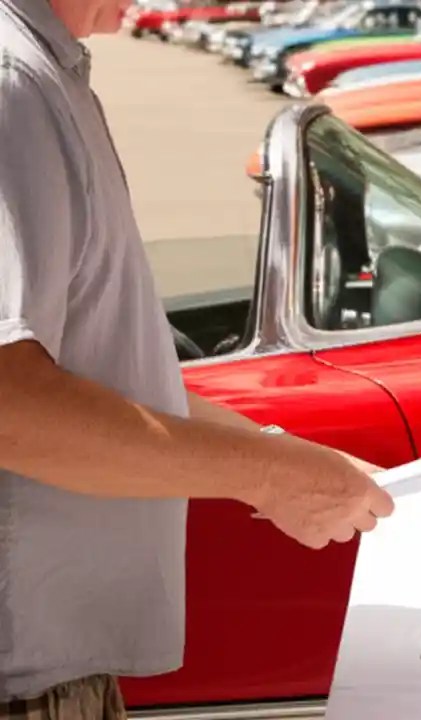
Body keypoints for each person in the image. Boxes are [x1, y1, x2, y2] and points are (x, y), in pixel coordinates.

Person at [0, 0, 394, 715]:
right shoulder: (10, 84)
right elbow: (10, 403)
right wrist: (271, 477)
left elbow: (93, 374)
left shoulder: (39, 73)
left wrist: (280, 455)